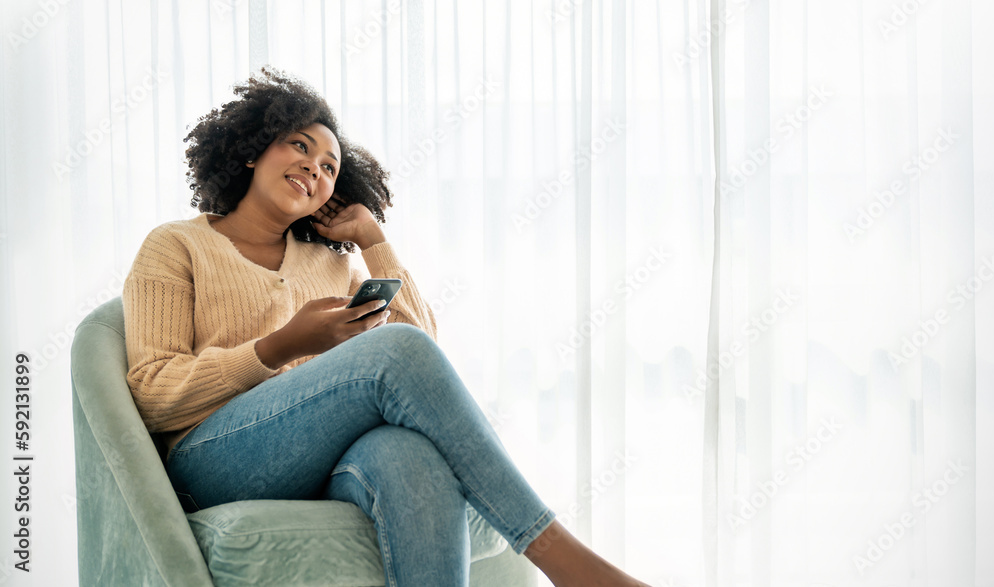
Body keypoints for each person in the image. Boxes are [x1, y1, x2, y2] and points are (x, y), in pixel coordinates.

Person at [123, 66, 648, 587]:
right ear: (251, 150)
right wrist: (280, 347)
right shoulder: (176, 245)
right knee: (392, 354)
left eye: (330, 166)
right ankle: (565, 561)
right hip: (210, 461)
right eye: (300, 147)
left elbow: (421, 356)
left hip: (318, 459)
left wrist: (373, 240)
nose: (316, 168)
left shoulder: (332, 263)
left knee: (410, 454)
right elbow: (150, 393)